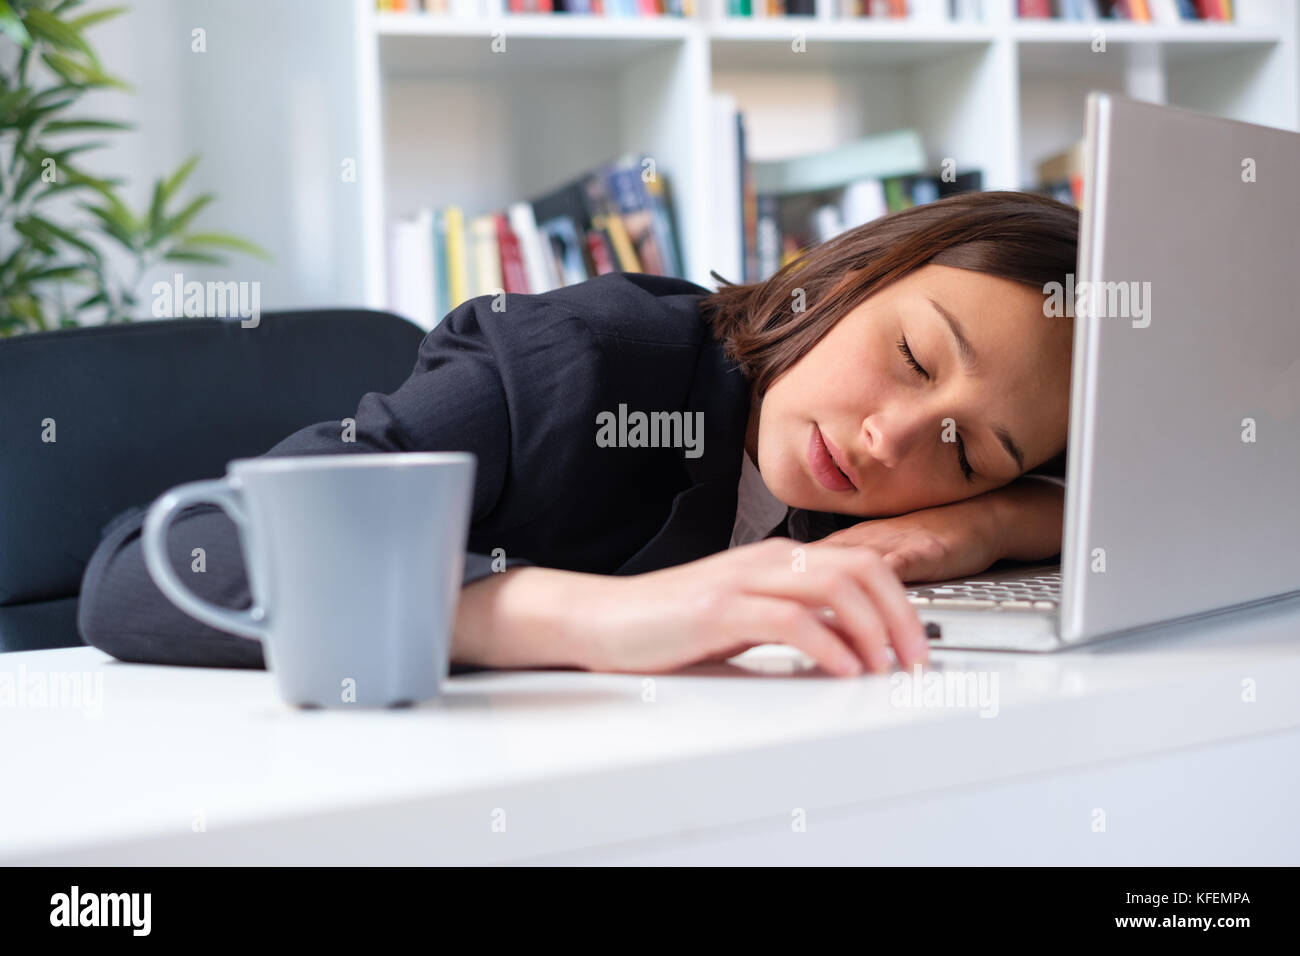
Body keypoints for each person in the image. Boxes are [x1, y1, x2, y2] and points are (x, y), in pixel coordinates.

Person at [78, 190, 1075, 679]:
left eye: (964, 449)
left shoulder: (911, 497)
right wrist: (593, 619)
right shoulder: (579, 363)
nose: (885, 438)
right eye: (909, 356)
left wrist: (990, 521)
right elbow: (137, 577)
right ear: (848, 274)